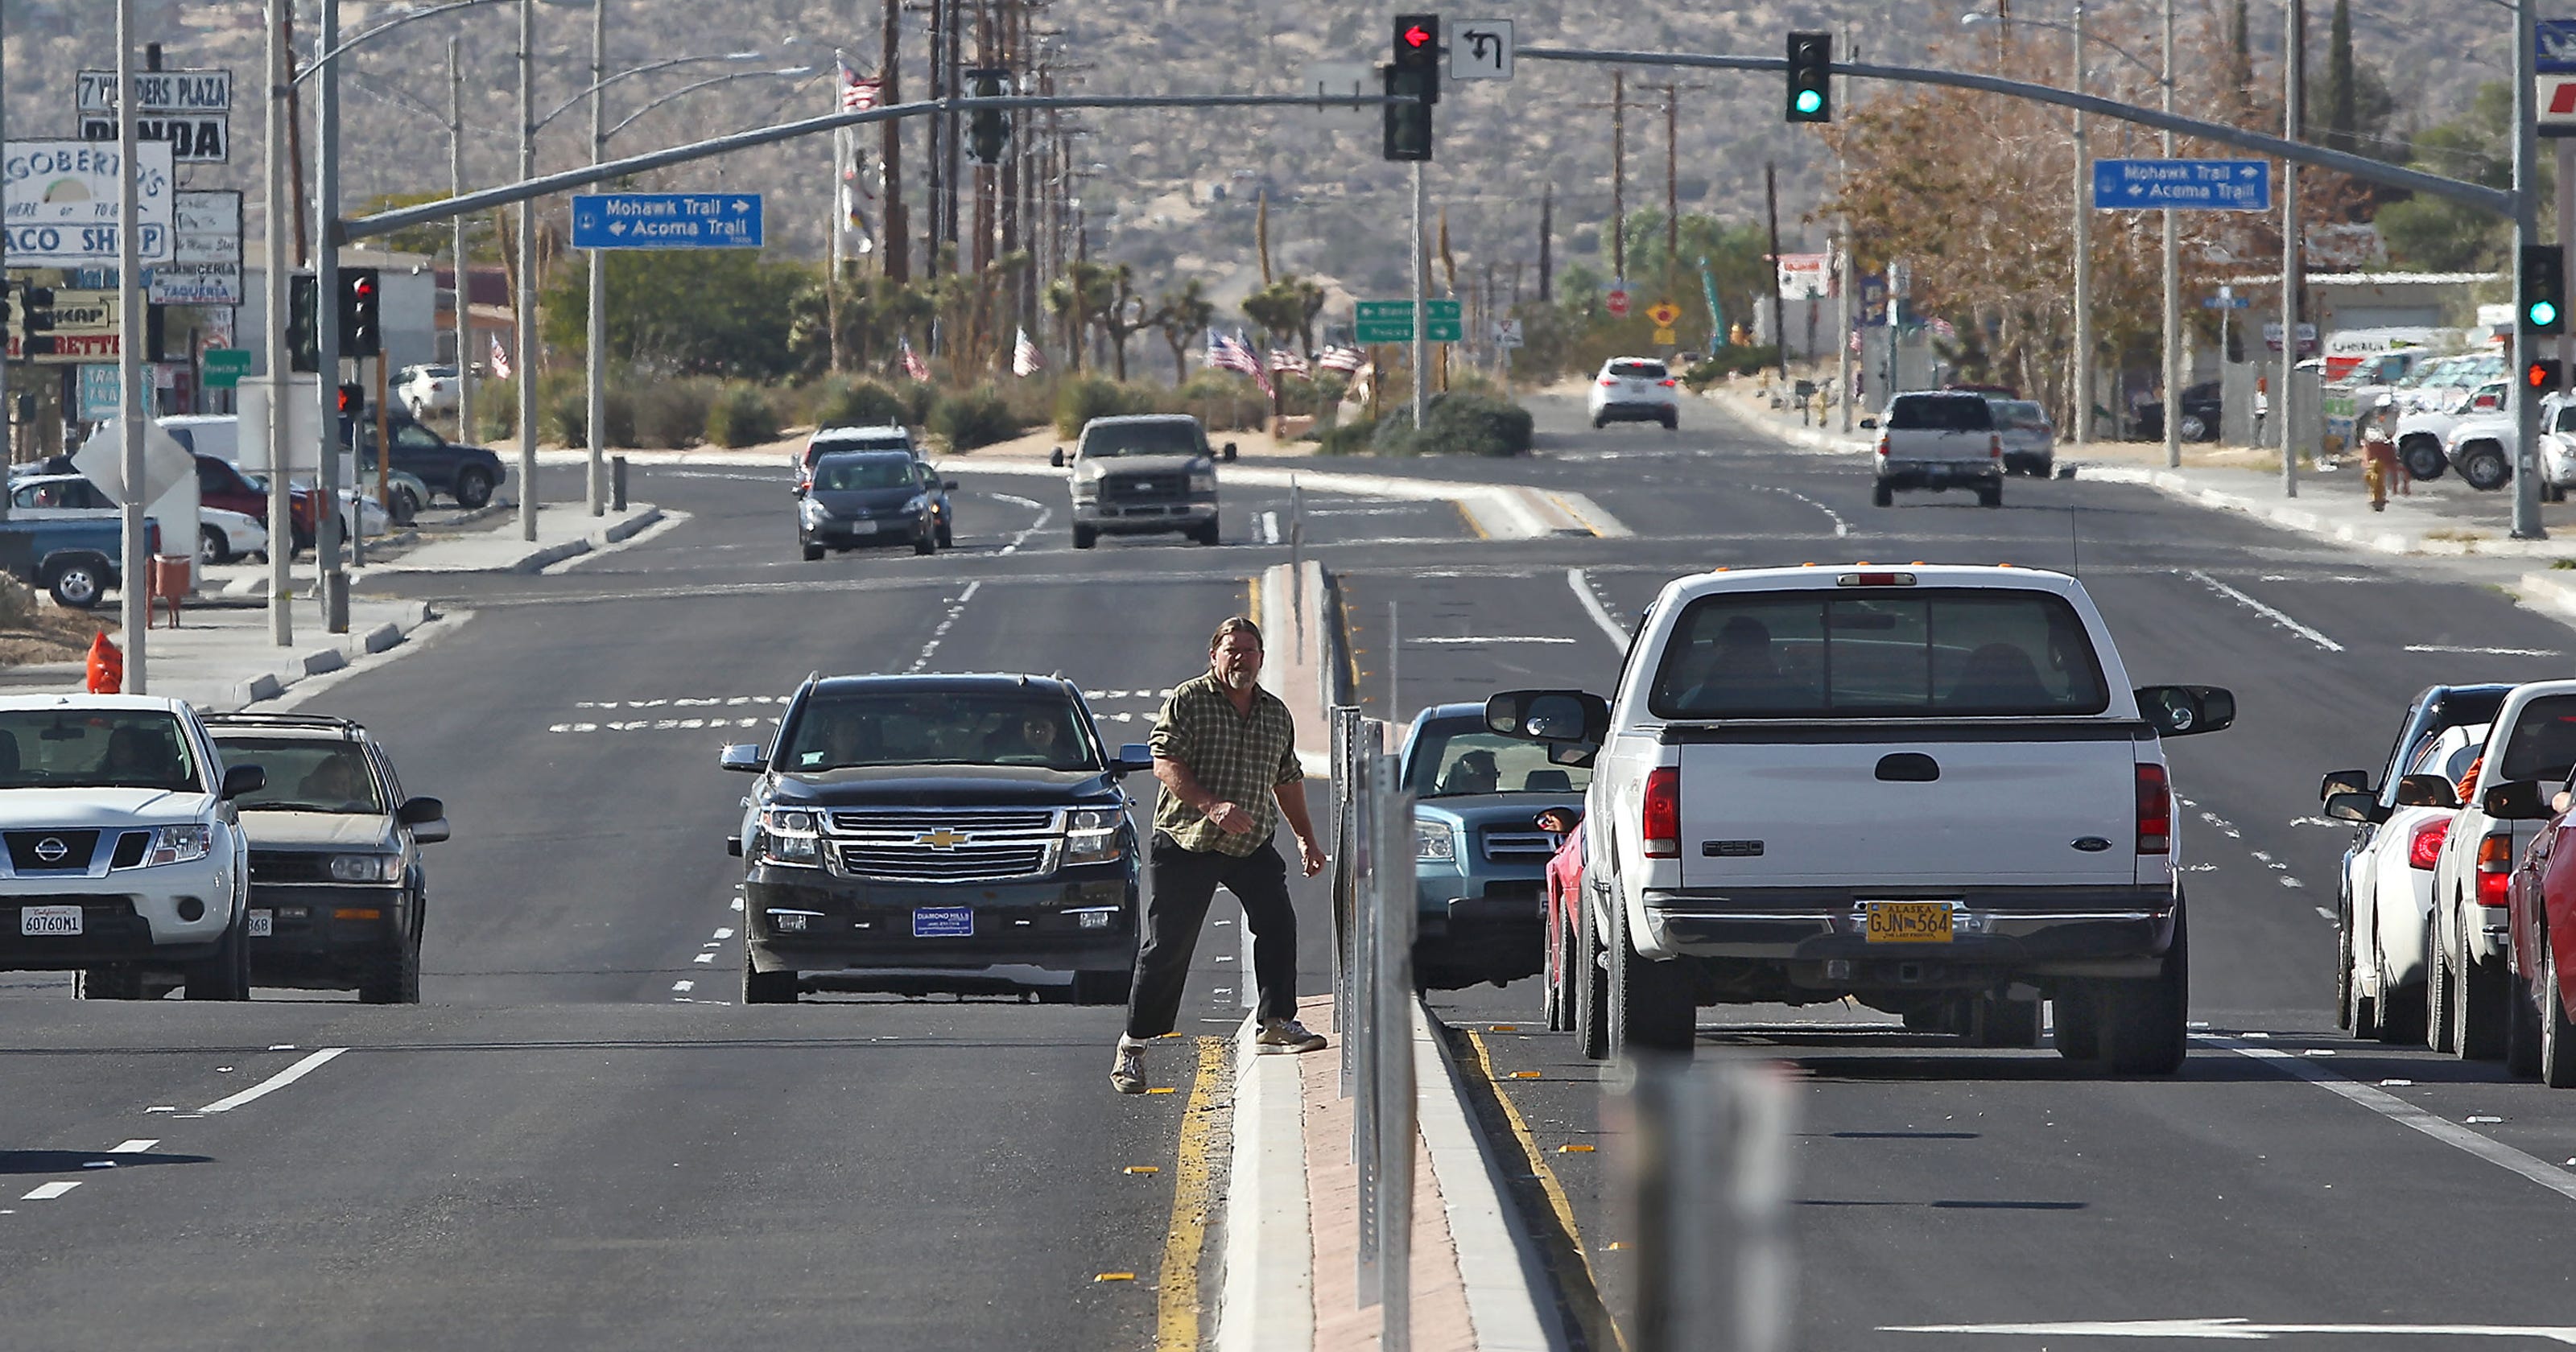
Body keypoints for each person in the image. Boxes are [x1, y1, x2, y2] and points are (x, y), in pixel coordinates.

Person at [1113, 616, 1328, 1094]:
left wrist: (1306, 839)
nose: (1240, 659)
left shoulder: (1275, 713)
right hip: (1187, 840)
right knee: (1169, 946)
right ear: (1214, 656)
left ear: (1261, 658)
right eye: (1231, 650)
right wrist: (1212, 805)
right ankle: (1134, 1046)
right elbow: (1164, 760)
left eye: (1249, 651)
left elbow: (1287, 779)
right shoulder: (1188, 701)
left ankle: (1276, 1023)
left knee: (1277, 922)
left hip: (1249, 842)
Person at [2361, 427, 2403, 511]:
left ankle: (2377, 498)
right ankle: (2377, 498)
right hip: (2379, 452)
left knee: (2376, 476)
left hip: (2377, 452)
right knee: (2376, 477)